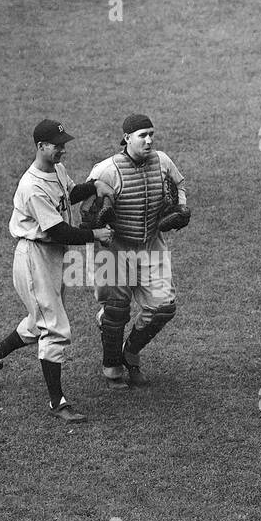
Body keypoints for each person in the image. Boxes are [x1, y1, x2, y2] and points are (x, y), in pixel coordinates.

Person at [0, 119, 113, 422]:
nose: (63, 149)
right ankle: (57, 402)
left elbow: (69, 195)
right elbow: (58, 232)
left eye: (64, 143)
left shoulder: (57, 169)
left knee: (40, 319)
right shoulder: (31, 186)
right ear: (41, 147)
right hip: (35, 258)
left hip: (54, 257)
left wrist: (94, 186)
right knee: (54, 327)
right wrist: (95, 235)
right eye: (58, 145)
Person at [86, 114, 190, 388]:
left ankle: (129, 352)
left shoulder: (162, 161)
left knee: (164, 308)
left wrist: (181, 208)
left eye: (151, 134)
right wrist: (97, 216)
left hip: (151, 246)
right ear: (127, 138)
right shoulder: (107, 170)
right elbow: (86, 208)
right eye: (142, 135)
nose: (149, 140)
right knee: (117, 309)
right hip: (114, 249)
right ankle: (112, 369)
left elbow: (178, 185)